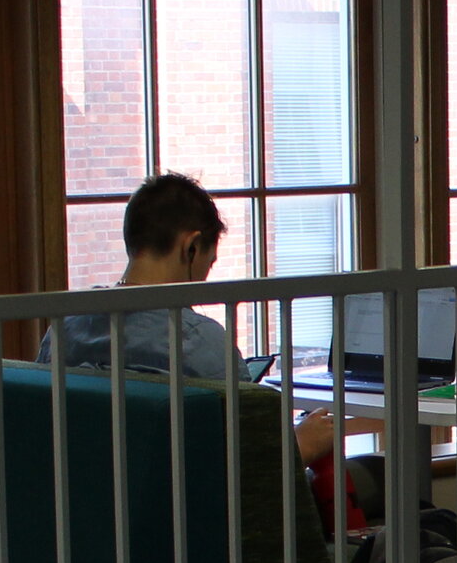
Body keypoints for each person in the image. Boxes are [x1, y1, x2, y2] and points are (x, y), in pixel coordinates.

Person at [43, 173, 350, 522]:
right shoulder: (197, 341)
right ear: (191, 246)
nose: (206, 274)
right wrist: (304, 443)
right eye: (209, 260)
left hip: (87, 522)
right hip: (191, 530)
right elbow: (252, 461)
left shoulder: (65, 327)